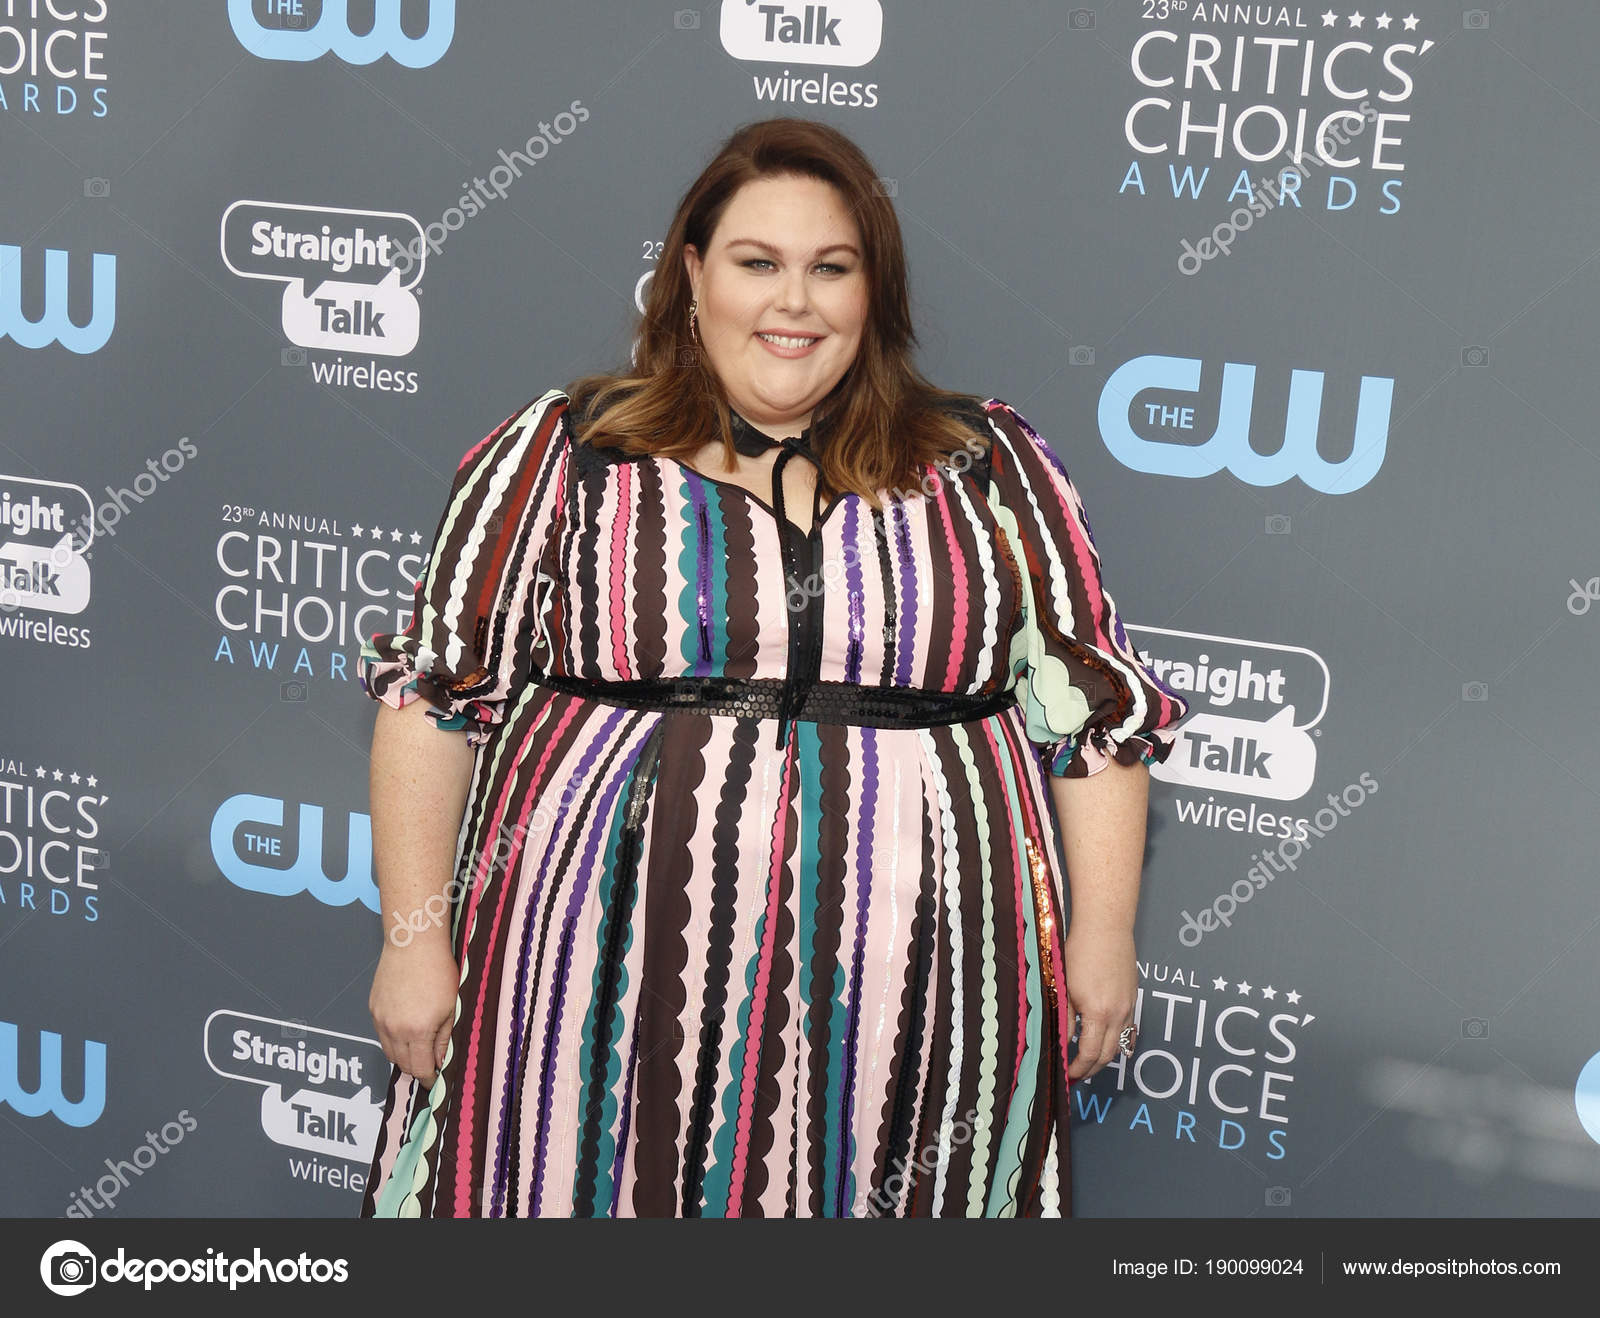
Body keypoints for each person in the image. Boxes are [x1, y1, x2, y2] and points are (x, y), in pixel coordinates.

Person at [358, 117, 1188, 1219]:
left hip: (921, 983)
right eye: (758, 263)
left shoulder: (984, 465)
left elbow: (1092, 721)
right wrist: (412, 944)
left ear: (870, 294)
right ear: (692, 275)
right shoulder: (567, 451)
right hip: (591, 970)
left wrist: (1104, 934)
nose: (792, 303)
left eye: (829, 269)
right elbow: (435, 698)